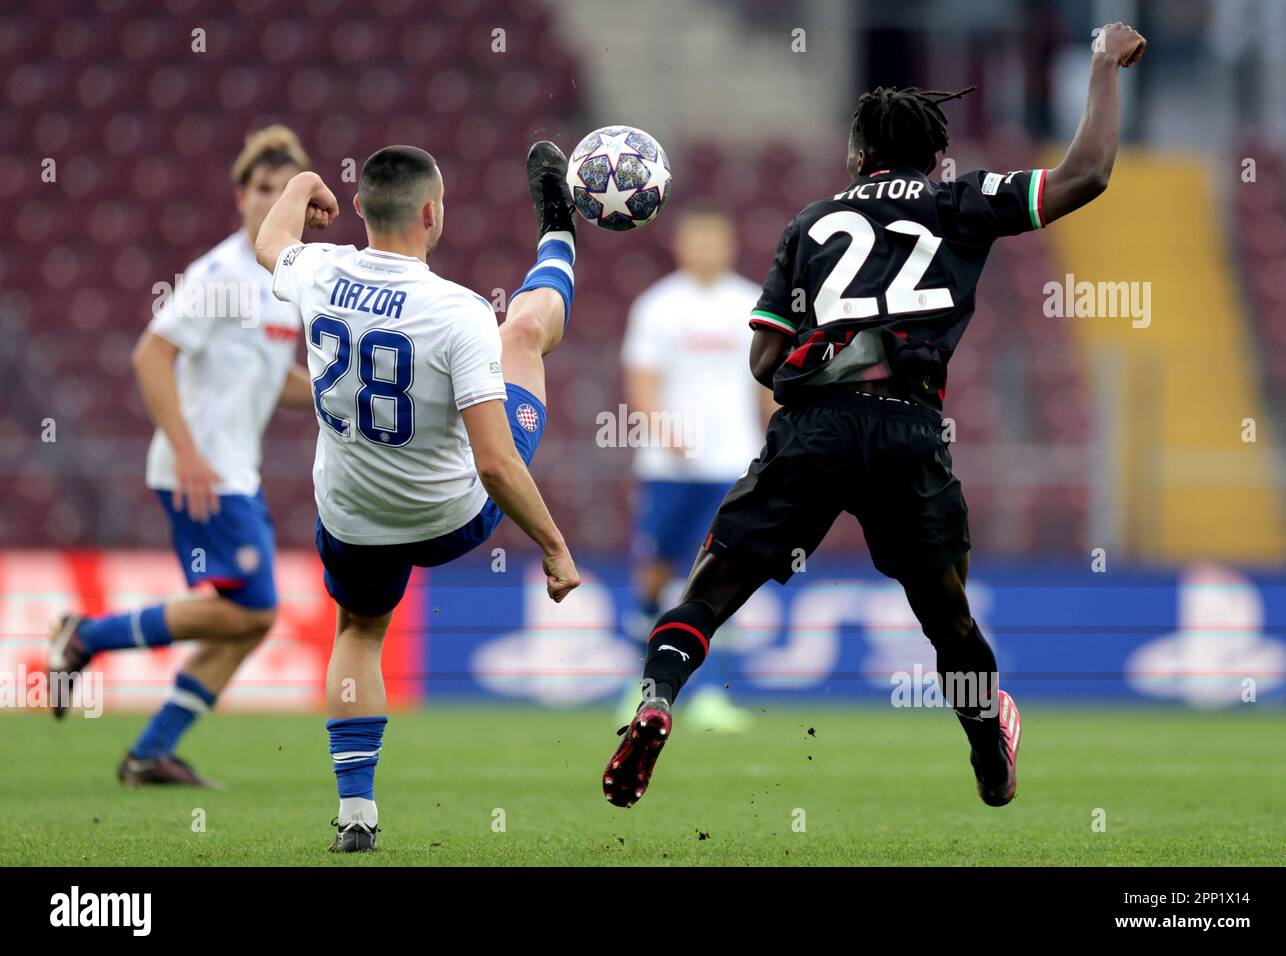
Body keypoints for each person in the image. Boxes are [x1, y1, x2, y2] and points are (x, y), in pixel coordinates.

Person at [603, 23, 1147, 810]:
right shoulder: (963, 199)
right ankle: (985, 738)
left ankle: (657, 697)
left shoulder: (810, 224)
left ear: (857, 155)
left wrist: (825, 355)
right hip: (907, 429)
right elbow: (1087, 174)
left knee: (708, 591)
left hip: (814, 430)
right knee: (948, 620)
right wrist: (1102, 64)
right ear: (933, 156)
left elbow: (762, 364)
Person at [255, 142, 581, 852]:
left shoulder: (319, 271)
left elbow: (271, 240)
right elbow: (495, 463)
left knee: (360, 631)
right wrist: (554, 548)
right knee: (522, 334)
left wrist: (304, 182)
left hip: (354, 518)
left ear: (364, 208)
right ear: (432, 214)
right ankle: (558, 233)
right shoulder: (459, 312)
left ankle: (357, 814)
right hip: (449, 518)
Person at [47, 126, 318, 787]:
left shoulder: (282, 284)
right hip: (201, 470)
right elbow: (151, 354)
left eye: (284, 193)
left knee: (245, 624)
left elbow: (271, 374)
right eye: (260, 190)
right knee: (255, 610)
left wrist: (335, 394)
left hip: (232, 469)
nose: (268, 202)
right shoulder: (220, 274)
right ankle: (88, 635)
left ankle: (149, 754)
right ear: (240, 197)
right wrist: (189, 450)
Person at [619, 205, 770, 733]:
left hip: (731, 460)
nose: (706, 248)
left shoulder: (749, 300)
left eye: (715, 238)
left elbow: (767, 383)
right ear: (680, 246)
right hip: (668, 464)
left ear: (728, 245)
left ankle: (709, 694)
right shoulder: (658, 306)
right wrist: (661, 429)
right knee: (655, 572)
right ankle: (640, 688)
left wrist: (777, 441)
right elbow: (641, 379)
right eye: (697, 238)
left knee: (717, 575)